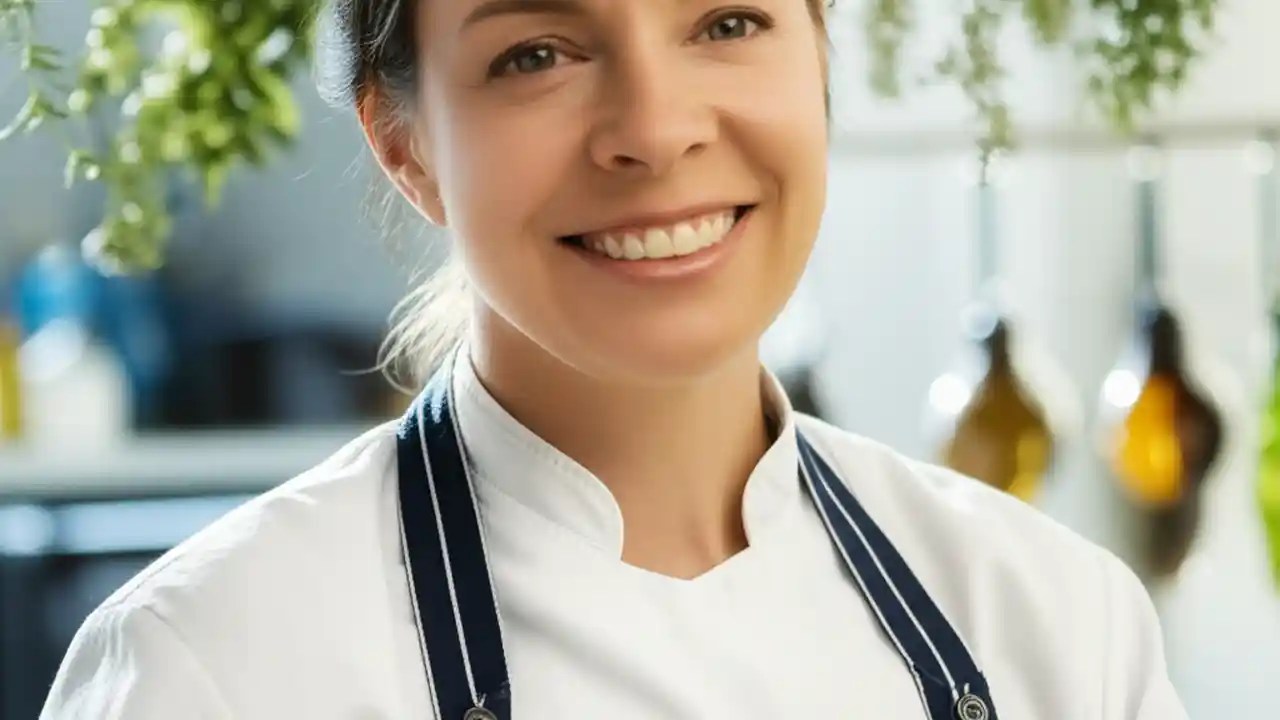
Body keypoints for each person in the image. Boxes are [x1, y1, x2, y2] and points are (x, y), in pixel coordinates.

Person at [41, 0, 1187, 718]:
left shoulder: (1057, 622)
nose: (655, 124)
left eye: (725, 23)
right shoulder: (213, 664)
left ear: (821, 50)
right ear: (405, 146)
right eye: (535, 51)